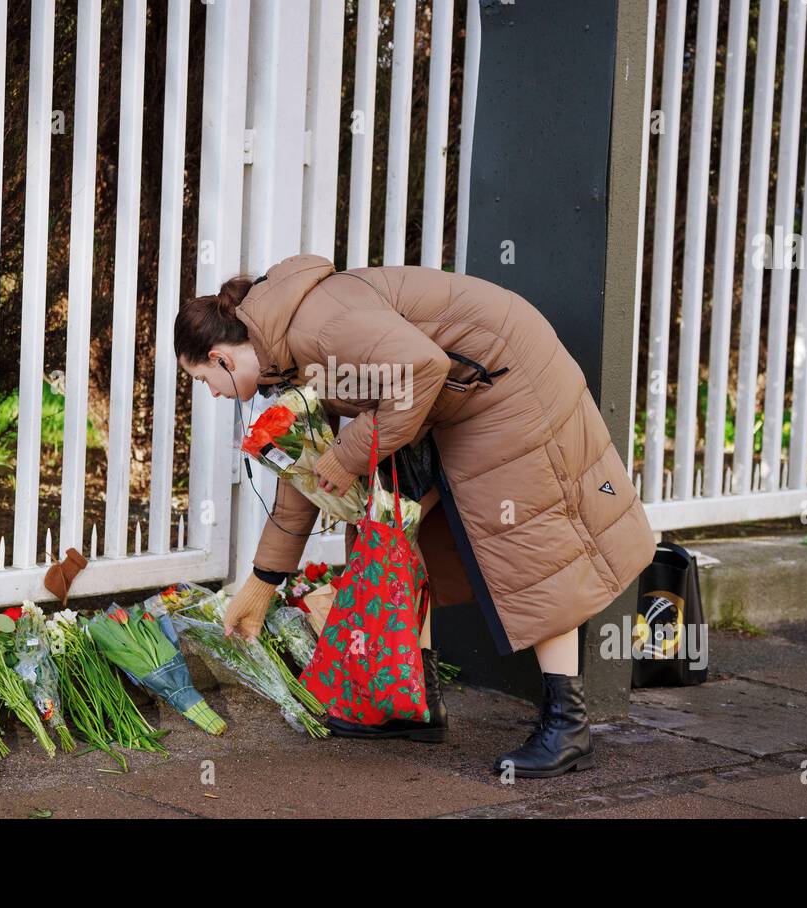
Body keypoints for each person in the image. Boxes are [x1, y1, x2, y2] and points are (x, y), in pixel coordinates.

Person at [173, 254, 656, 777]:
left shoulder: (321, 326)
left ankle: (569, 725)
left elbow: (421, 367)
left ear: (221, 357)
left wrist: (352, 453)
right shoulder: (282, 354)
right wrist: (263, 583)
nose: (213, 395)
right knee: (391, 533)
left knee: (526, 547)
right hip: (445, 397)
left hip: (504, 380)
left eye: (201, 380)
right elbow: (313, 476)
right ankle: (416, 701)